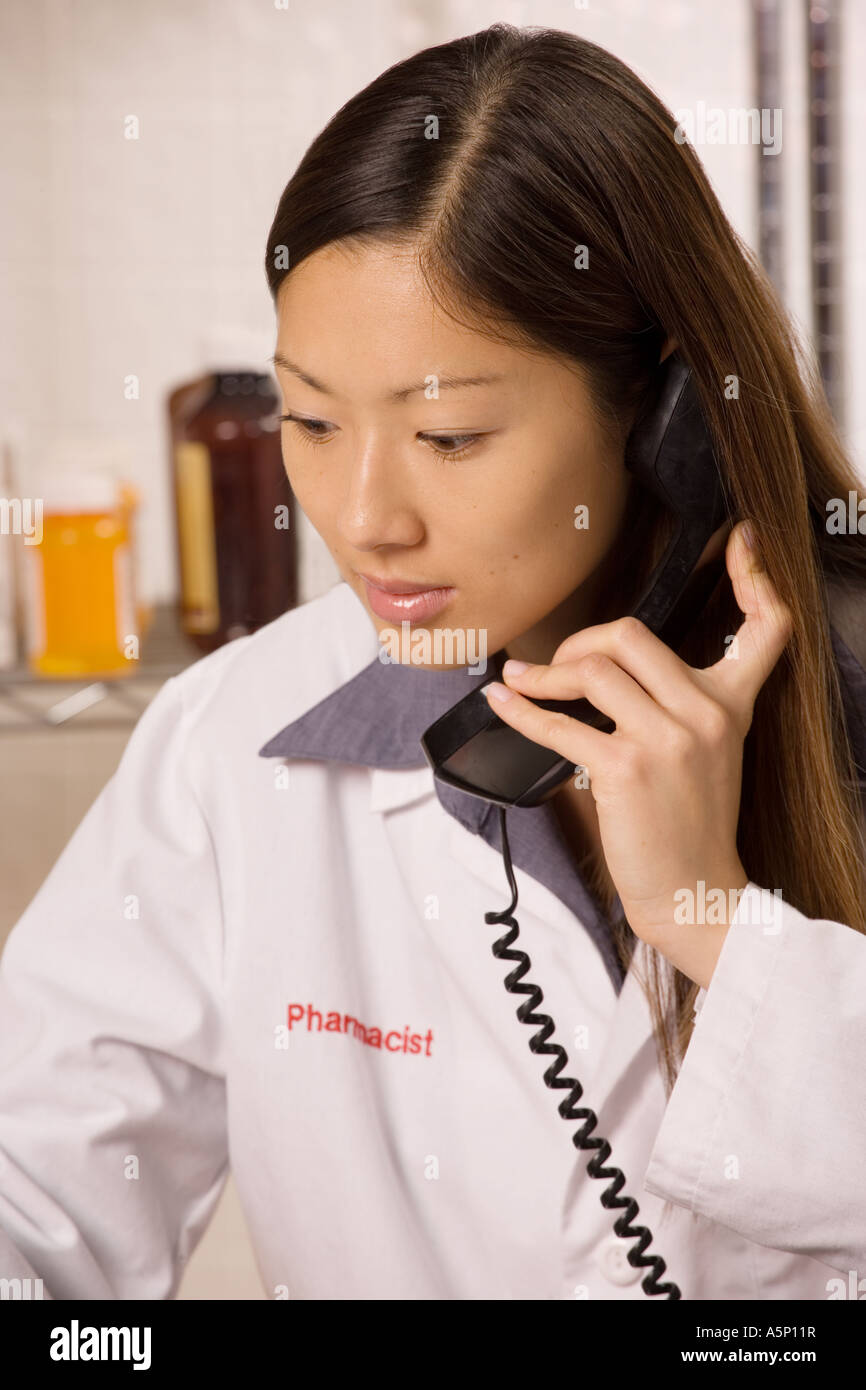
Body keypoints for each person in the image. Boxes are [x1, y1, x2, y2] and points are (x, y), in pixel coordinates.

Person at [1, 22, 865, 1302]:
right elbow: (37, 1183)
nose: (360, 519)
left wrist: (709, 923)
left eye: (449, 436)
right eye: (308, 419)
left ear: (665, 413)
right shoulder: (232, 736)